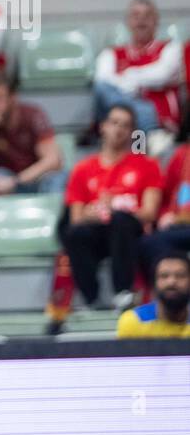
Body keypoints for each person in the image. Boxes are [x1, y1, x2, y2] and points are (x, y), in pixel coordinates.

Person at [61, 104, 162, 310]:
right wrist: (97, 213)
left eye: (125, 125)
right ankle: (91, 299)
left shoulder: (147, 166)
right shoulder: (82, 169)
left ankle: (123, 292)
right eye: (114, 123)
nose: (119, 130)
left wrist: (115, 206)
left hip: (131, 232)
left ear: (132, 133)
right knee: (74, 233)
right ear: (102, 127)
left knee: (120, 220)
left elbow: (150, 213)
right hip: (97, 233)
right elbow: (76, 218)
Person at [94, 0, 184, 142]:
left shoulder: (170, 48)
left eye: (147, 16)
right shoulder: (111, 54)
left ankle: (148, 129)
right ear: (128, 22)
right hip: (122, 133)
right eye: (135, 16)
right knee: (102, 88)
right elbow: (102, 82)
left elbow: (162, 74)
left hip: (162, 129)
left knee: (140, 153)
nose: (141, 21)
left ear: (156, 21)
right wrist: (137, 85)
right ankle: (146, 120)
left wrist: (128, 77)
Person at [0, 70, 66, 198]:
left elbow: (53, 160)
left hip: (35, 178)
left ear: (13, 97)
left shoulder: (33, 114)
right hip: (4, 179)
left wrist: (16, 181)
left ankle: (51, 217)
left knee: (59, 178)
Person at [139, 138, 190, 277]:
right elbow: (166, 195)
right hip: (179, 225)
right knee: (148, 243)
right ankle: (161, 295)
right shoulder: (183, 155)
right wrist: (164, 215)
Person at [117, 253, 190, 338]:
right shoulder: (134, 321)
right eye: (164, 276)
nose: (171, 282)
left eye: (180, 276)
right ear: (154, 284)